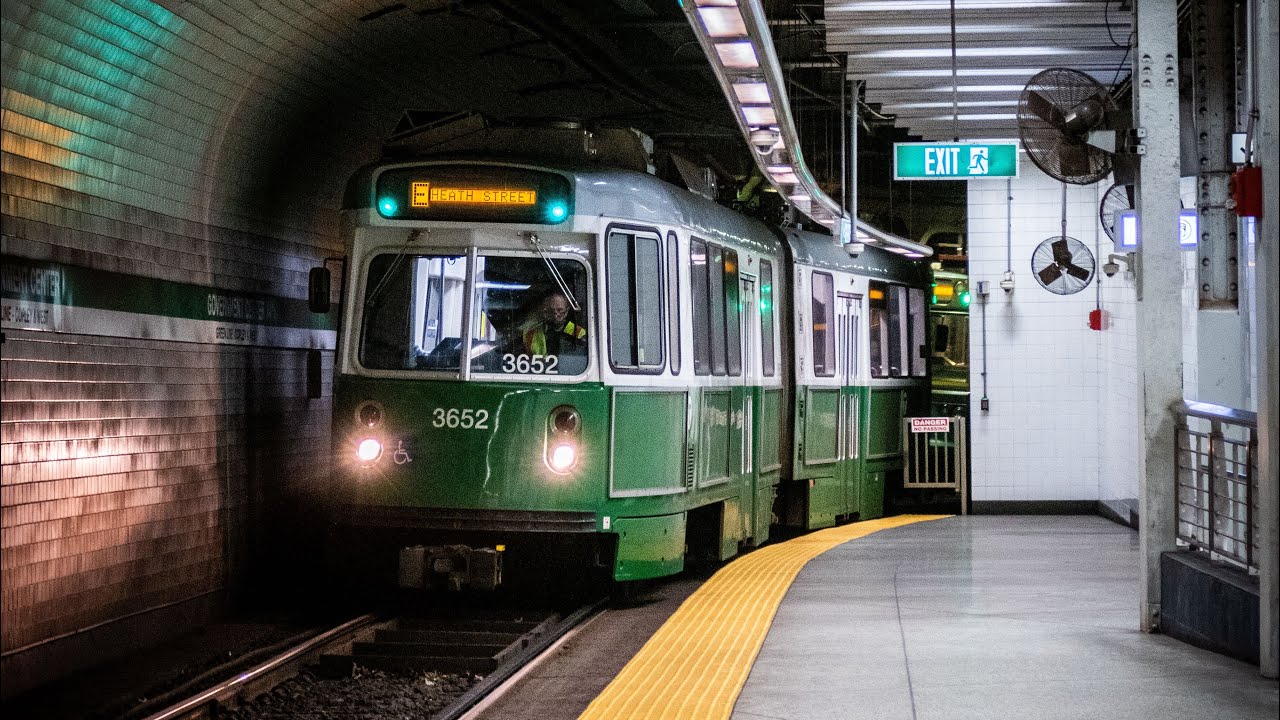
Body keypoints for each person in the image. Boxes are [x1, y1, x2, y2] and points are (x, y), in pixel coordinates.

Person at [521, 291, 586, 356]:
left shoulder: (577, 331)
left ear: (567, 311)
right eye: (550, 311)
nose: (555, 315)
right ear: (543, 311)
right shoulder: (531, 332)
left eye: (560, 310)